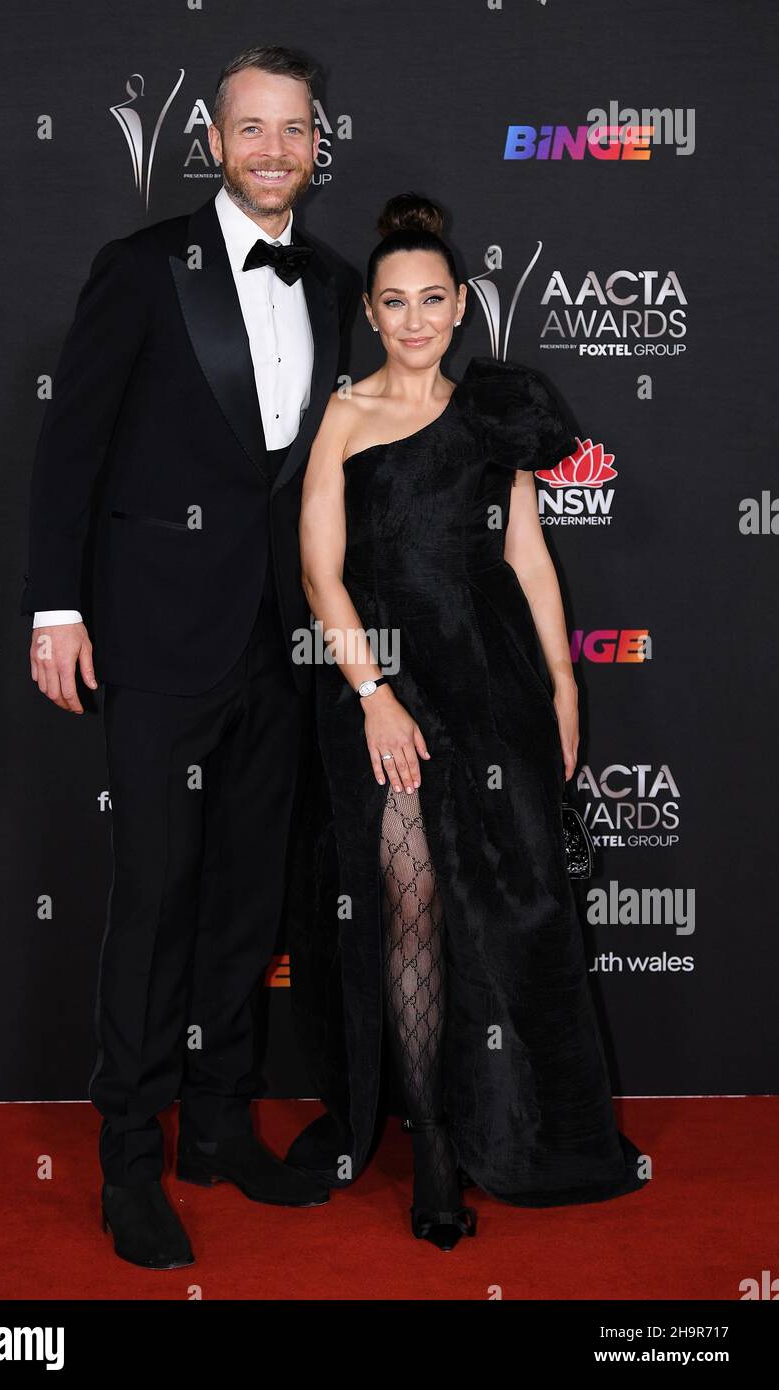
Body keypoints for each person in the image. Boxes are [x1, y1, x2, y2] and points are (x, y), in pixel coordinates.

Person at [22, 46, 357, 1269]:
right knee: (155, 899)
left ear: (319, 143)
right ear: (214, 141)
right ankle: (127, 1160)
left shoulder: (331, 280)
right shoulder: (140, 269)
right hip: (157, 643)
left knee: (241, 905)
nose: (274, 148)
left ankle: (218, 1127)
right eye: (251, 128)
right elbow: (72, 452)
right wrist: (55, 609)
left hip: (280, 644)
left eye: (295, 128)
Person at [290, 192, 648, 1251]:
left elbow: (525, 557)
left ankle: (529, 1128)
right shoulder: (344, 416)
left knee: (518, 907)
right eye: (392, 301)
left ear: (459, 309)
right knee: (411, 912)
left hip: (492, 687)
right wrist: (373, 697)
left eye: (430, 300)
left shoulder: (495, 410)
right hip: (386, 687)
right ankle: (435, 1148)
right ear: (369, 309)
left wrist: (564, 685)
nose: (411, 319)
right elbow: (320, 576)